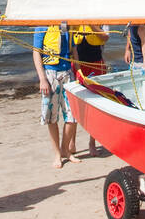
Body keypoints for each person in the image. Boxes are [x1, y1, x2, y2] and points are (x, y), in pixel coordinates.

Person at [33, 23, 79, 169]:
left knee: (73, 116)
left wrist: (78, 73)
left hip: (68, 74)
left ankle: (65, 149)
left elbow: (74, 51)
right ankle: (57, 154)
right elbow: (36, 53)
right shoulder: (42, 25)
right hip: (50, 74)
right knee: (51, 117)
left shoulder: (68, 25)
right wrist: (42, 79)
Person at [72, 25, 109, 155]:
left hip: (96, 63)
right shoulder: (75, 18)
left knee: (96, 104)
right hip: (77, 63)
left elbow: (105, 37)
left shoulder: (100, 20)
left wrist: (91, 24)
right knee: (74, 103)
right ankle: (72, 142)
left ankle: (92, 142)